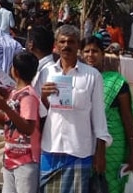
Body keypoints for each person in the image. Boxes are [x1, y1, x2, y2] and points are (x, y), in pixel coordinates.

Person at [35, 25, 111, 193]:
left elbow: (99, 117)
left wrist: (100, 154)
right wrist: (43, 98)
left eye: (71, 42)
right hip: (51, 147)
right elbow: (39, 113)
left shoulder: (92, 76)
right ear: (56, 44)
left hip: (80, 150)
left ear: (78, 45)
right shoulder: (45, 73)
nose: (66, 45)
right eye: (62, 41)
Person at [80, 36, 133, 193]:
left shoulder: (116, 82)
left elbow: (128, 120)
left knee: (111, 186)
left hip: (114, 147)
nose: (90, 55)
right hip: (85, 145)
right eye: (86, 51)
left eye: (95, 51)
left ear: (102, 54)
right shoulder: (78, 80)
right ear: (81, 54)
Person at [0, 52, 42, 193]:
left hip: (26, 160)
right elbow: (8, 122)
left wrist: (6, 108)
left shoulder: (28, 96)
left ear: (15, 71)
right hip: (10, 158)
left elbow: (28, 128)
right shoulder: (14, 94)